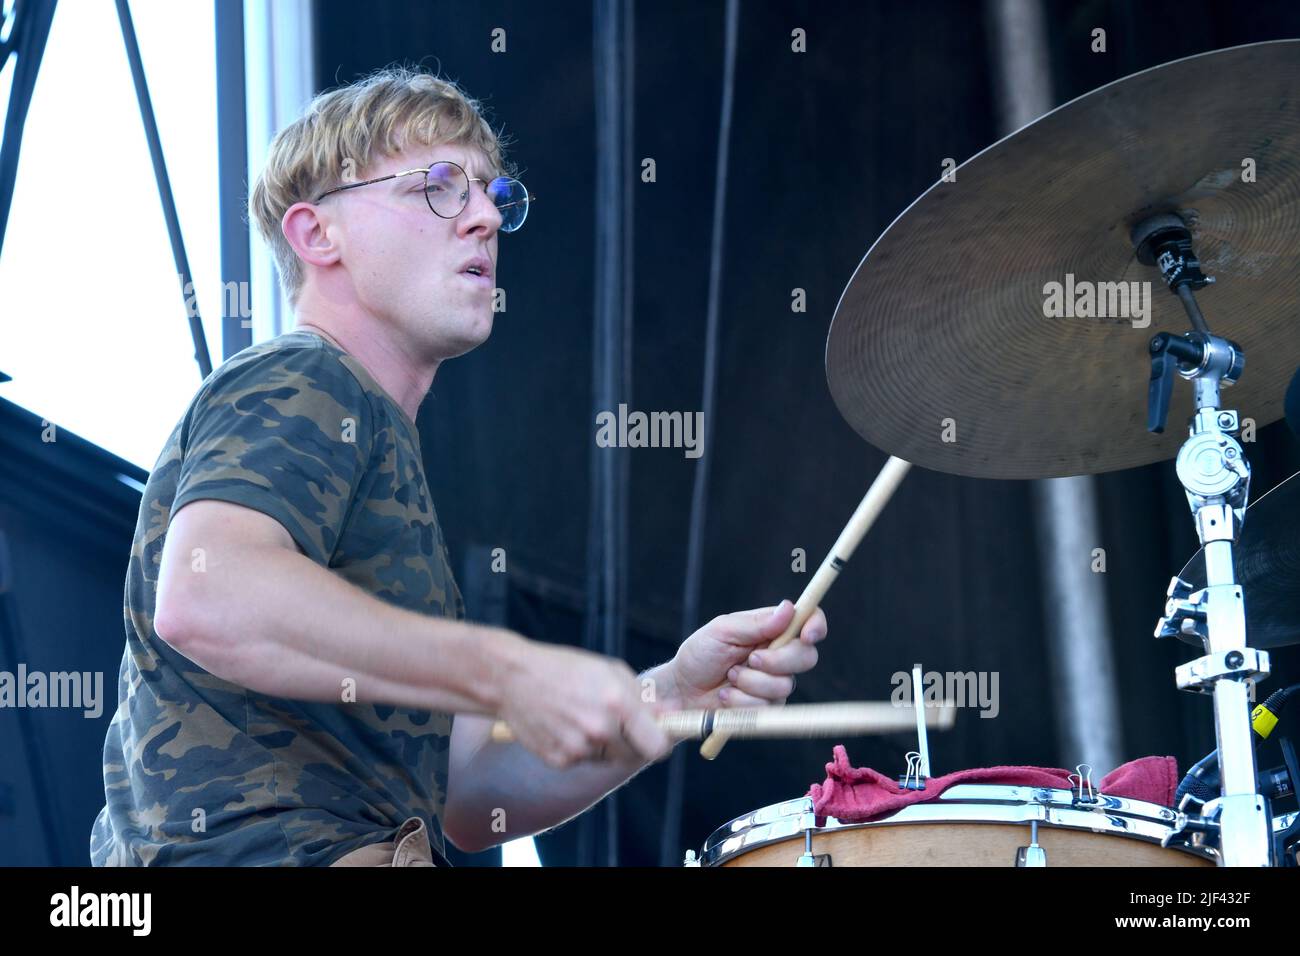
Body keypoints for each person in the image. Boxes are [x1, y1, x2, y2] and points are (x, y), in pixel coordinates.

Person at [90, 66, 826, 866]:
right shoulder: (306, 377)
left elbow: (473, 797)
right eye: (438, 187)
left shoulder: (382, 459)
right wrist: (507, 668)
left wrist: (677, 695)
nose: (483, 218)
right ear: (316, 234)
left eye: (491, 195)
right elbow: (207, 596)